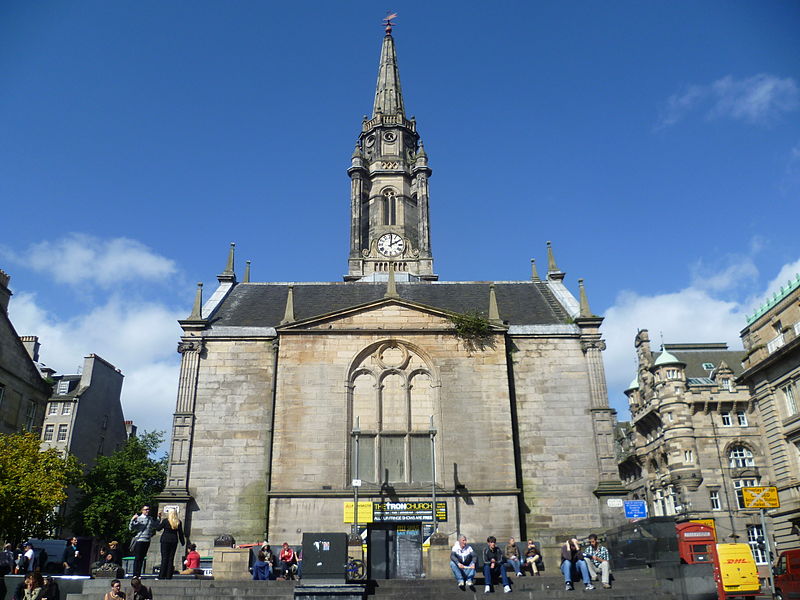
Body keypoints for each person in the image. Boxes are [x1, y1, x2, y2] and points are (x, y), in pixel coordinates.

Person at [129, 505, 158, 577]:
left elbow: (155, 526)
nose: (147, 511)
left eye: (148, 509)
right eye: (146, 509)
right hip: (140, 539)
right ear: (142, 510)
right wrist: (133, 519)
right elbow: (131, 528)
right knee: (138, 557)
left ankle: (139, 574)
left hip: (147, 540)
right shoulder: (139, 518)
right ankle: (135, 574)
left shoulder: (150, 519)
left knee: (142, 558)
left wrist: (158, 518)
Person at [156, 508, 185, 579]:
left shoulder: (165, 521)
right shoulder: (178, 522)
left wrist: (158, 519)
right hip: (174, 540)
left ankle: (162, 575)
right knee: (171, 558)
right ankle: (169, 575)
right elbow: (180, 533)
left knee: (164, 558)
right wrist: (182, 542)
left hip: (165, 540)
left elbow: (158, 528)